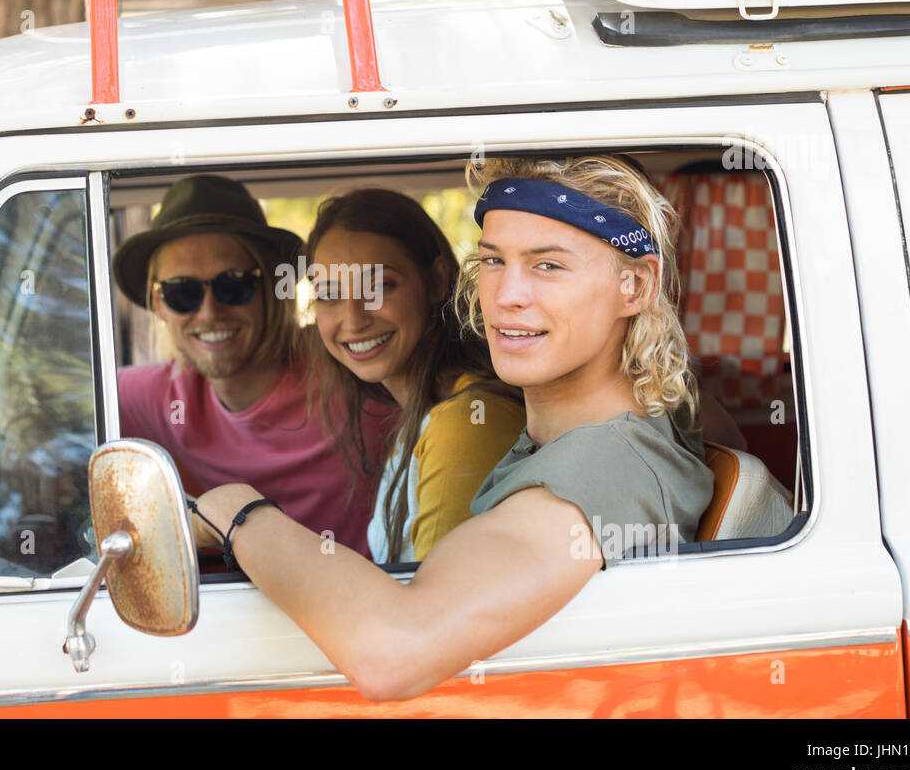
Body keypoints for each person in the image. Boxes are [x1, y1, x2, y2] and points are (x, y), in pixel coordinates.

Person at [189, 155, 715, 701]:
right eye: (493, 261)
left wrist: (235, 511)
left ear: (635, 285)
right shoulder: (604, 432)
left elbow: (395, 651)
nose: (506, 295)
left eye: (547, 266)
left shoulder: (600, 465)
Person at [112, 174, 390, 557]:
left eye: (234, 285)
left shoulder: (353, 364)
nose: (210, 312)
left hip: (359, 609)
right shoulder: (144, 397)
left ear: (273, 291)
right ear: (158, 304)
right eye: (182, 293)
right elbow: (45, 402)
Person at [303, 188, 525, 564]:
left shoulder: (465, 422)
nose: (354, 319)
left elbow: (438, 608)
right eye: (329, 294)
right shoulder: (423, 412)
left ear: (436, 280)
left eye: (378, 286)